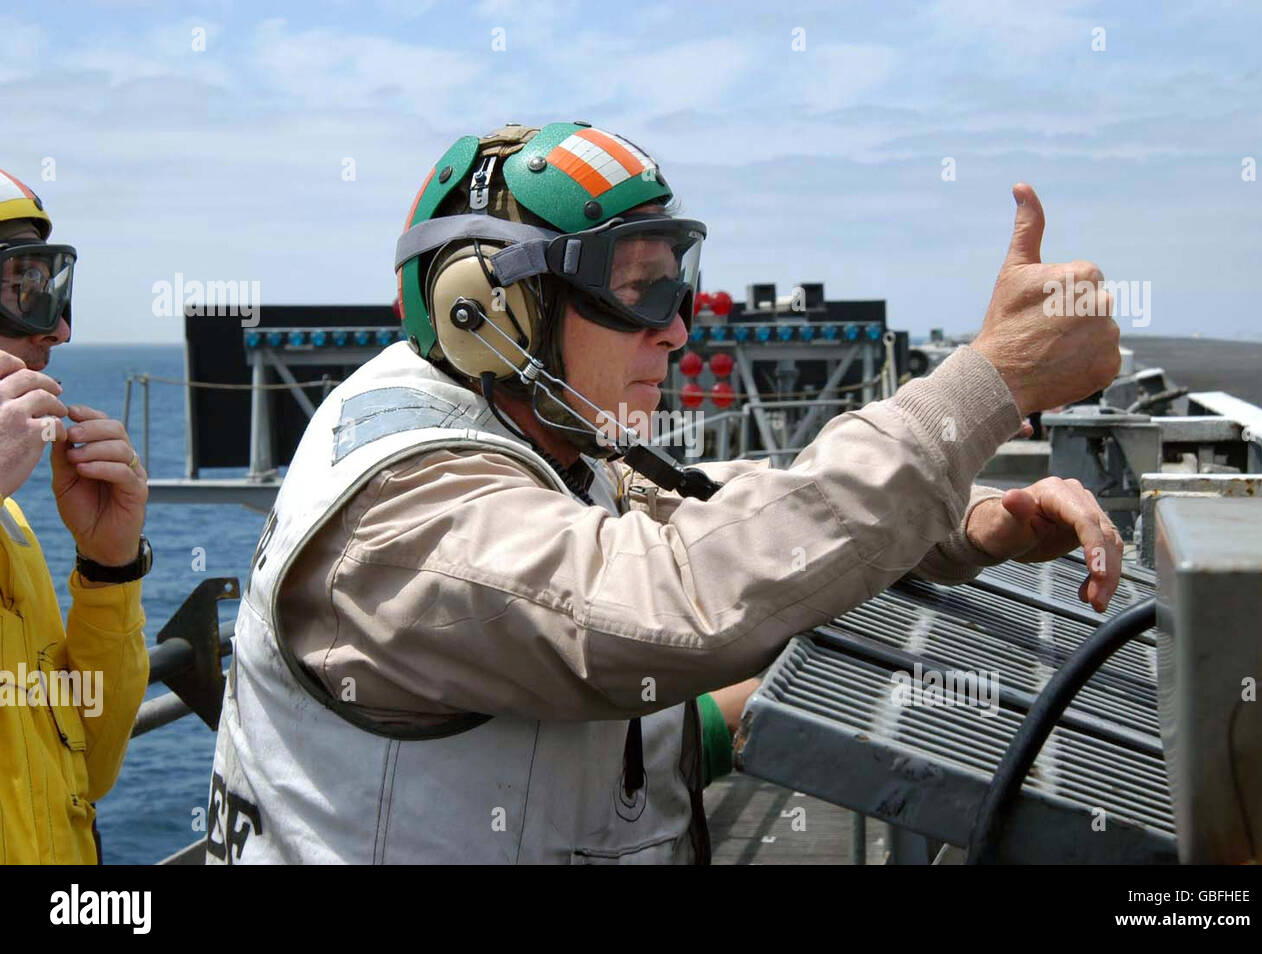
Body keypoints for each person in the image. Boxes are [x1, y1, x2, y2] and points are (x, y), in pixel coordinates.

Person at [209, 123, 1123, 864]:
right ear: (486, 309)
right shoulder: (402, 512)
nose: (678, 329)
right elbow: (675, 598)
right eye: (639, 290)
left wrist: (966, 529)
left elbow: (717, 516)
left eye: (673, 284)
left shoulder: (540, 437)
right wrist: (986, 387)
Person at [0, 168, 152, 864]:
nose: (57, 329)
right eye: (24, 290)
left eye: (52, 289)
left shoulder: (13, 526)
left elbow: (89, 766)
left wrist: (109, 564)